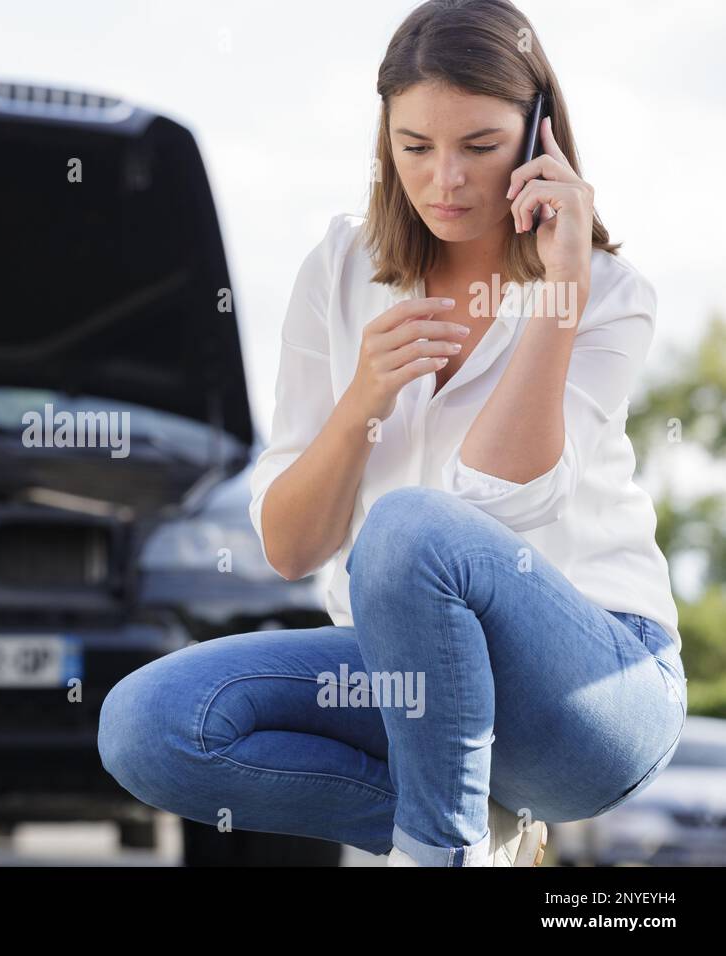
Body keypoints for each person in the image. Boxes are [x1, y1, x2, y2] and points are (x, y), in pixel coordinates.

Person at [97, 0, 687, 867]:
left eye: (479, 148)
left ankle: (434, 855)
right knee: (147, 725)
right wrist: (363, 402)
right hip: (408, 682)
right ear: (386, 140)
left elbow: (498, 499)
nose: (444, 180)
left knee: (410, 528)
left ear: (538, 138)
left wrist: (558, 289)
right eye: (415, 147)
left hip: (593, 694)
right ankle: (472, 829)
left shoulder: (605, 292)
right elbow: (291, 549)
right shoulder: (339, 267)